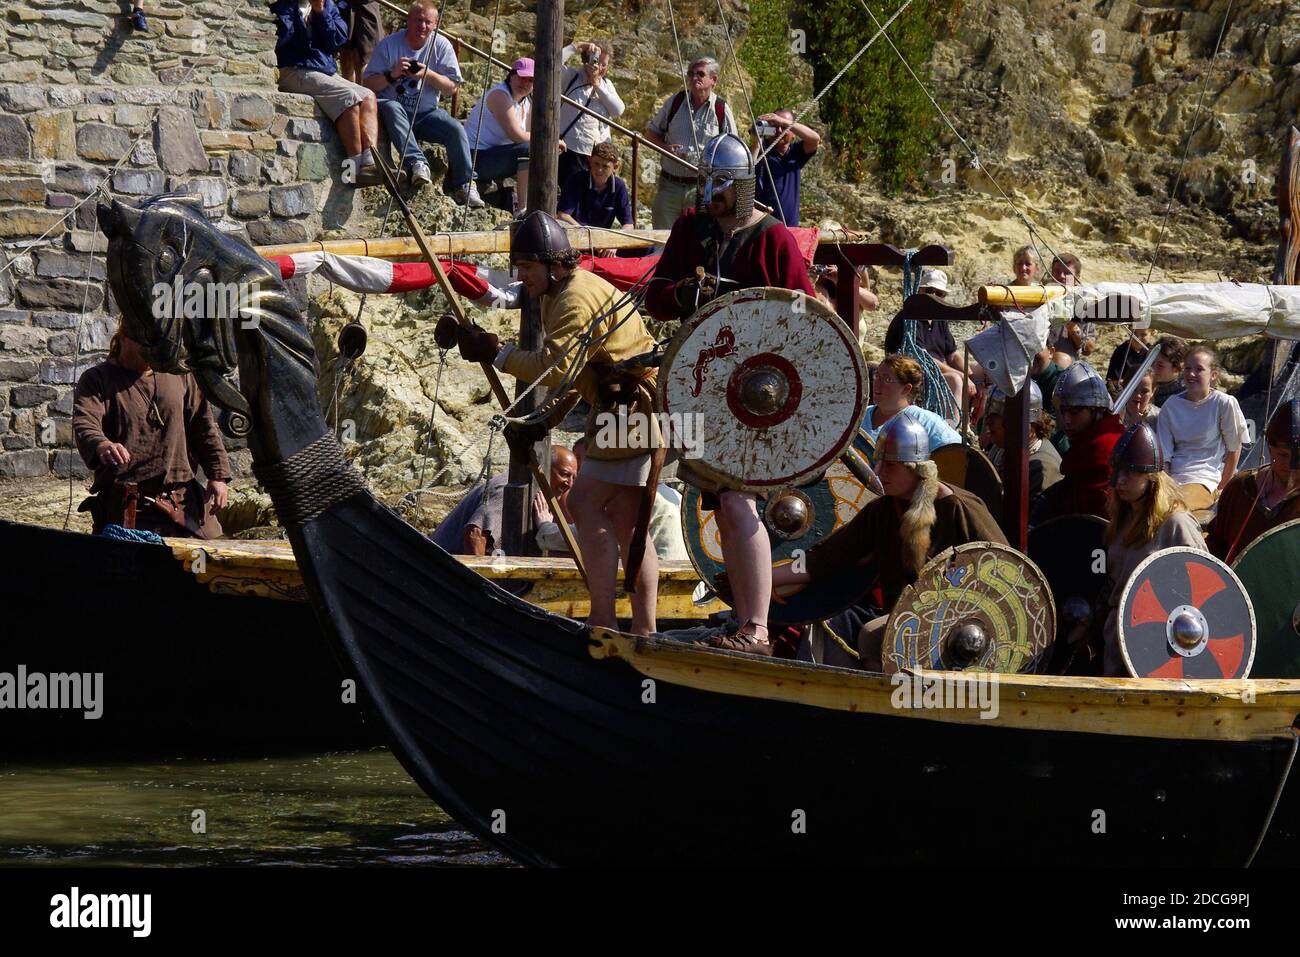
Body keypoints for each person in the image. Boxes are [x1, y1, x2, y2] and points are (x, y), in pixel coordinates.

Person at [436, 212, 663, 635]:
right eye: (518, 268)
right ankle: (641, 629)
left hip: (632, 409)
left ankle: (604, 620)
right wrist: (543, 421)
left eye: (527, 267)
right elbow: (579, 372)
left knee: (584, 504)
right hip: (625, 407)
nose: (521, 276)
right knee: (628, 522)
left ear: (554, 264)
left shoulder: (574, 298)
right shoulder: (559, 294)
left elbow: (553, 368)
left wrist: (496, 352)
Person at [646, 132, 814, 654]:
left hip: (764, 397)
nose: (710, 190)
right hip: (706, 390)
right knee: (721, 503)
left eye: (721, 182)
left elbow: (807, 318)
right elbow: (656, 298)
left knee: (740, 500)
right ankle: (745, 622)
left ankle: (759, 629)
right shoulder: (690, 230)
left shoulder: (772, 238)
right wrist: (684, 293)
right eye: (705, 179)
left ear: (742, 185)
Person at [771, 414, 1007, 670]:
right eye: (878, 464)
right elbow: (824, 559)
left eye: (890, 466)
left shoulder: (958, 507)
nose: (879, 473)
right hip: (901, 616)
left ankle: (886, 704)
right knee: (836, 623)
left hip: (961, 625)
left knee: (873, 636)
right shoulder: (882, 510)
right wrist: (763, 578)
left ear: (914, 467)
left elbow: (1005, 569)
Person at [72, 325, 231, 538]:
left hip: (183, 501)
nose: (155, 352)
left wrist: (217, 476)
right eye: (148, 344)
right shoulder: (97, 379)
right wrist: (102, 445)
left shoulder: (180, 374)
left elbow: (202, 426)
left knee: (211, 563)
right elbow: (85, 422)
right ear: (125, 337)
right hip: (130, 506)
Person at [1089, 423, 1206, 677]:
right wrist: (1088, 626)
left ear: (1151, 478)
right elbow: (1113, 584)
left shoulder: (1176, 524)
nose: (1120, 481)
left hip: (1159, 645)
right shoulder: (1121, 521)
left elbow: (1203, 588)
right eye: (1118, 472)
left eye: (1130, 473)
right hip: (1117, 639)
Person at [363, 1, 482, 206]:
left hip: (426, 114)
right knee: (391, 106)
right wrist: (392, 75)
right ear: (408, 20)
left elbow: (451, 87)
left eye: (428, 22)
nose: (423, 26)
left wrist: (427, 73)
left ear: (435, 24)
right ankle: (417, 162)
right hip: (394, 111)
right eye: (418, 20)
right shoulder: (389, 44)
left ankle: (465, 185)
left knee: (455, 128)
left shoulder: (441, 45)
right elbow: (368, 83)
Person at [272, 0, 380, 187]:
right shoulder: (284, 5)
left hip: (322, 69)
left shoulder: (327, 5)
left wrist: (320, 12)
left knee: (368, 95)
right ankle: (352, 171)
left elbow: (336, 41)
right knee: (348, 97)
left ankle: (370, 163)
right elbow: (283, 39)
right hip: (293, 68)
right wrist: (298, 16)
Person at [430, 445, 578, 556]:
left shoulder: (541, 500)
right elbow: (475, 534)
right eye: (564, 474)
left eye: (574, 478)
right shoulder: (509, 489)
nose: (569, 483)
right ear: (544, 468)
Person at [643, 57, 737, 229]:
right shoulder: (675, 102)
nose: (695, 78)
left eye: (700, 74)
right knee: (662, 240)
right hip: (669, 185)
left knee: (696, 243)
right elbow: (651, 133)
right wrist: (665, 148)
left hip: (701, 189)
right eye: (691, 74)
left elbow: (732, 150)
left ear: (713, 80)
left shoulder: (721, 109)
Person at [1155, 345, 1249, 514]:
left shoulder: (1223, 403)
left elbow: (1234, 449)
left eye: (1199, 369)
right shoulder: (1171, 405)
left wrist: (1222, 488)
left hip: (1205, 478)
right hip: (1172, 479)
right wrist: (1167, 486)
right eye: (1188, 368)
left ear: (1213, 375)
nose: (1191, 374)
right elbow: (1165, 456)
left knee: (1174, 511)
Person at [1206, 400, 1300, 562]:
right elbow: (1217, 542)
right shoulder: (1241, 488)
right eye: (1283, 455)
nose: (1290, 465)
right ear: (1270, 449)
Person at [1030, 361, 1124, 523]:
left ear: (1097, 410)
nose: (1066, 420)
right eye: (1063, 411)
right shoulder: (1084, 446)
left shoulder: (1109, 448)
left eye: (1074, 412)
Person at [462, 58, 552, 216]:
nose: (525, 83)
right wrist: (550, 141)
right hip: (475, 158)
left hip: (494, 155)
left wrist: (550, 144)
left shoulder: (526, 103)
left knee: (540, 151)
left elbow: (532, 133)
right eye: (522, 77)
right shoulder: (500, 96)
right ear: (511, 76)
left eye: (530, 80)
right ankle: (522, 209)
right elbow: (518, 136)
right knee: (529, 149)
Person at [883, 268, 970, 408]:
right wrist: (962, 376)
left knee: (980, 372)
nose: (934, 296)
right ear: (920, 291)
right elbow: (923, 358)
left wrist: (970, 375)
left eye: (939, 293)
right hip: (911, 374)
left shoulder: (939, 318)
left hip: (935, 373)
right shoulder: (909, 318)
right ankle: (952, 426)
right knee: (955, 379)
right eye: (929, 291)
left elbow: (952, 354)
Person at [860, 355, 961, 462]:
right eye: (877, 376)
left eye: (887, 379)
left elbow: (957, 454)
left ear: (906, 389)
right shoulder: (860, 416)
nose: (877, 383)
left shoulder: (925, 421)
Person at [980, 381, 1062, 505]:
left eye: (997, 415)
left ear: (1019, 420)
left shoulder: (1042, 468)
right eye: (989, 414)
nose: (988, 422)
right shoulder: (1001, 447)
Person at [557, 40, 625, 185]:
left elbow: (618, 110)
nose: (599, 67)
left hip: (595, 155)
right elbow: (551, 65)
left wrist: (597, 84)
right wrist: (576, 46)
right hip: (570, 149)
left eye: (604, 64)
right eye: (595, 61)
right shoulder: (572, 77)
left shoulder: (607, 85)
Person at [751, 108, 820, 227]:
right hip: (763, 228)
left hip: (790, 228)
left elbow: (815, 139)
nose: (779, 130)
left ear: (793, 133)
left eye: (783, 127)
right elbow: (746, 172)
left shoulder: (795, 153)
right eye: (775, 126)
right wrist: (756, 143)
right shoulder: (761, 152)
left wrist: (781, 121)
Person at [557, 141, 633, 232]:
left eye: (605, 166)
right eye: (596, 164)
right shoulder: (577, 180)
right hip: (576, 233)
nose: (599, 170)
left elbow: (628, 224)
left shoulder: (618, 186)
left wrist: (615, 242)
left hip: (603, 239)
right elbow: (563, 215)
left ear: (615, 167)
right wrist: (588, 234)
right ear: (590, 160)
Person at [1044, 253, 1095, 366]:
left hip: (1066, 371)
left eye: (1067, 273)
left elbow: (1088, 349)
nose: (1061, 276)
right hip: (1038, 367)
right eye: (1057, 271)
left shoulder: (1084, 305)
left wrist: (1072, 327)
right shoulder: (1039, 298)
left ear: (1077, 278)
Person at [1106, 326, 1156, 396]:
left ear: (1152, 333)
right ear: (1129, 331)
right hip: (1124, 393)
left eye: (1143, 334)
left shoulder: (1152, 352)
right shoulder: (1121, 352)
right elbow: (1112, 381)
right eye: (1134, 333)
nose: (1138, 338)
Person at [339, 0, 381, 84]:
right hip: (345, 8)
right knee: (346, 58)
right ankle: (349, 95)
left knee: (364, 60)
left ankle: (364, 95)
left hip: (367, 8)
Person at [1150, 335, 1188, 407]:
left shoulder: (1185, 396)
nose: (1152, 368)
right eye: (1151, 362)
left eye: (1160, 365)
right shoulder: (1143, 383)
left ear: (1177, 368)